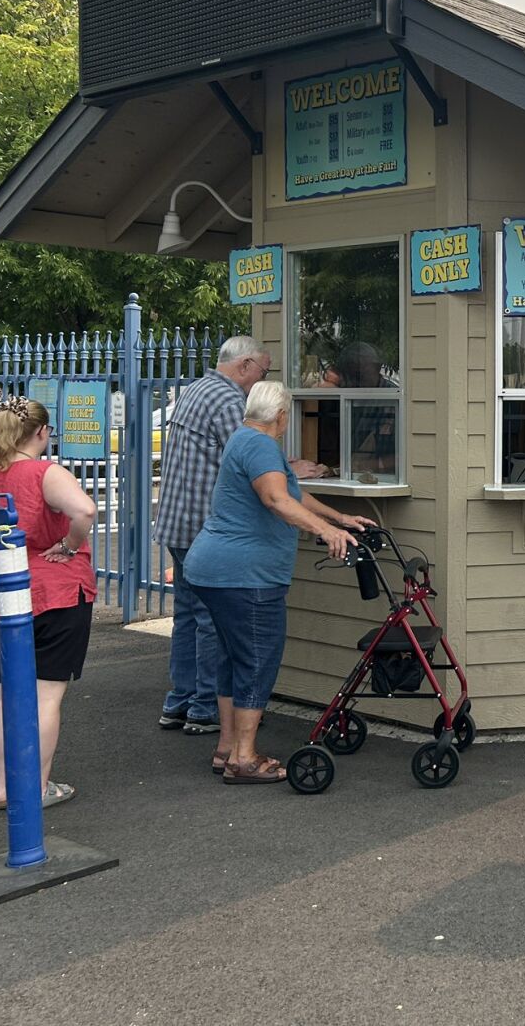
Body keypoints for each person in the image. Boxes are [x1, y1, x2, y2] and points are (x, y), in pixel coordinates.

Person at [181, 382, 369, 784]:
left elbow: (291, 493)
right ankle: (244, 759)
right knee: (257, 659)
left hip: (216, 569)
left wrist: (339, 519)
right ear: (282, 416)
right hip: (244, 576)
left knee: (234, 658)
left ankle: (227, 749)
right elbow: (276, 500)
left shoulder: (244, 438)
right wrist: (327, 533)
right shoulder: (262, 445)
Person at [155, 335, 312, 737]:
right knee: (213, 622)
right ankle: (206, 707)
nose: (262, 378)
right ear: (244, 366)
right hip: (206, 525)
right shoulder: (228, 401)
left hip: (177, 519)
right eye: (263, 371)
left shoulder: (195, 389)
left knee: (188, 615)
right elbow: (251, 451)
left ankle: (180, 701)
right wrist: (298, 469)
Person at [0, 397, 96, 810]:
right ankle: (34, 786)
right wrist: (68, 547)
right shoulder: (45, 472)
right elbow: (84, 509)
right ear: (43, 432)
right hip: (52, 596)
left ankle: (4, 786)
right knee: (45, 695)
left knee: (0, 693)